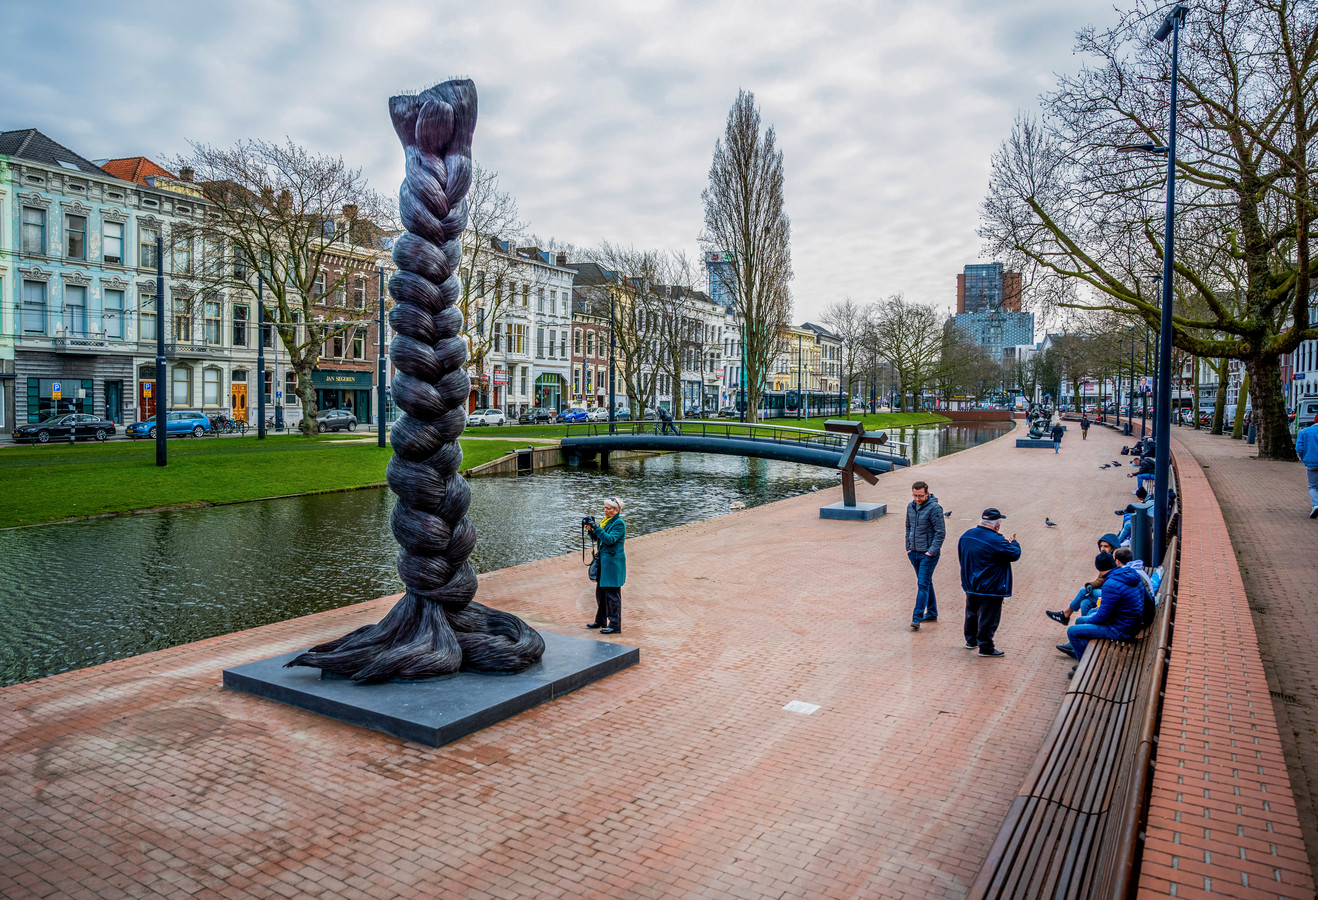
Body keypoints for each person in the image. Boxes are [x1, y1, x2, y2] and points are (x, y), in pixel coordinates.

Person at [1063, 547, 1151, 661]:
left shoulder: (1110, 584)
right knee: (1082, 619)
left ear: (1099, 569)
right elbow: (1147, 598)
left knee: (1073, 631)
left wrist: (1088, 621)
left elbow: (1102, 617)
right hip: (1132, 623)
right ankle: (1084, 655)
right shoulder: (1131, 573)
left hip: (1121, 629)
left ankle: (1083, 665)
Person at [957, 508, 1021, 657]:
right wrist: (1015, 543)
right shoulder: (997, 540)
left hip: (970, 583)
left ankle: (971, 640)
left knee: (971, 613)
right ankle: (986, 647)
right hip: (991, 587)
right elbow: (1014, 554)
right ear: (996, 525)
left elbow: (961, 556)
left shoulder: (966, 536)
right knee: (988, 617)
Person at [1046, 537, 1119, 625]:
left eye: (1106, 546)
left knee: (1083, 591)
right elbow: (1101, 579)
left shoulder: (1115, 560)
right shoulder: (1105, 559)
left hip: (1112, 596)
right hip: (1108, 594)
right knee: (1085, 603)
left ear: (1113, 547)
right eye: (1101, 546)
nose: (1103, 549)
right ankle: (1086, 629)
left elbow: (1109, 584)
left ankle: (1066, 615)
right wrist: (1091, 585)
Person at [905, 481, 946, 630]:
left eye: (920, 496)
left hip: (928, 555)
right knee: (926, 581)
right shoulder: (911, 506)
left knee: (922, 584)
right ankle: (932, 612)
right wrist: (908, 548)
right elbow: (908, 527)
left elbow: (940, 533)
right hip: (914, 553)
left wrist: (931, 552)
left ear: (927, 494)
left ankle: (916, 617)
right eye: (915, 495)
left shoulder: (935, 509)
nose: (917, 498)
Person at [584, 497, 627, 634]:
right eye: (605, 508)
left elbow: (609, 540)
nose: (605, 510)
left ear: (617, 510)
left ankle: (615, 625)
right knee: (601, 594)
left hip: (613, 564)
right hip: (604, 562)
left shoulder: (619, 524)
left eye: (608, 508)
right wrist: (591, 530)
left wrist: (596, 528)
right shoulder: (605, 521)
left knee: (612, 596)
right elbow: (598, 538)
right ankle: (601, 620)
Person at [1298, 412, 1318, 519]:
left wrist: (1304, 458)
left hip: (1311, 463)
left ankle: (1315, 505)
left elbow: (1299, 448)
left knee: (1313, 486)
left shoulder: (1305, 432)